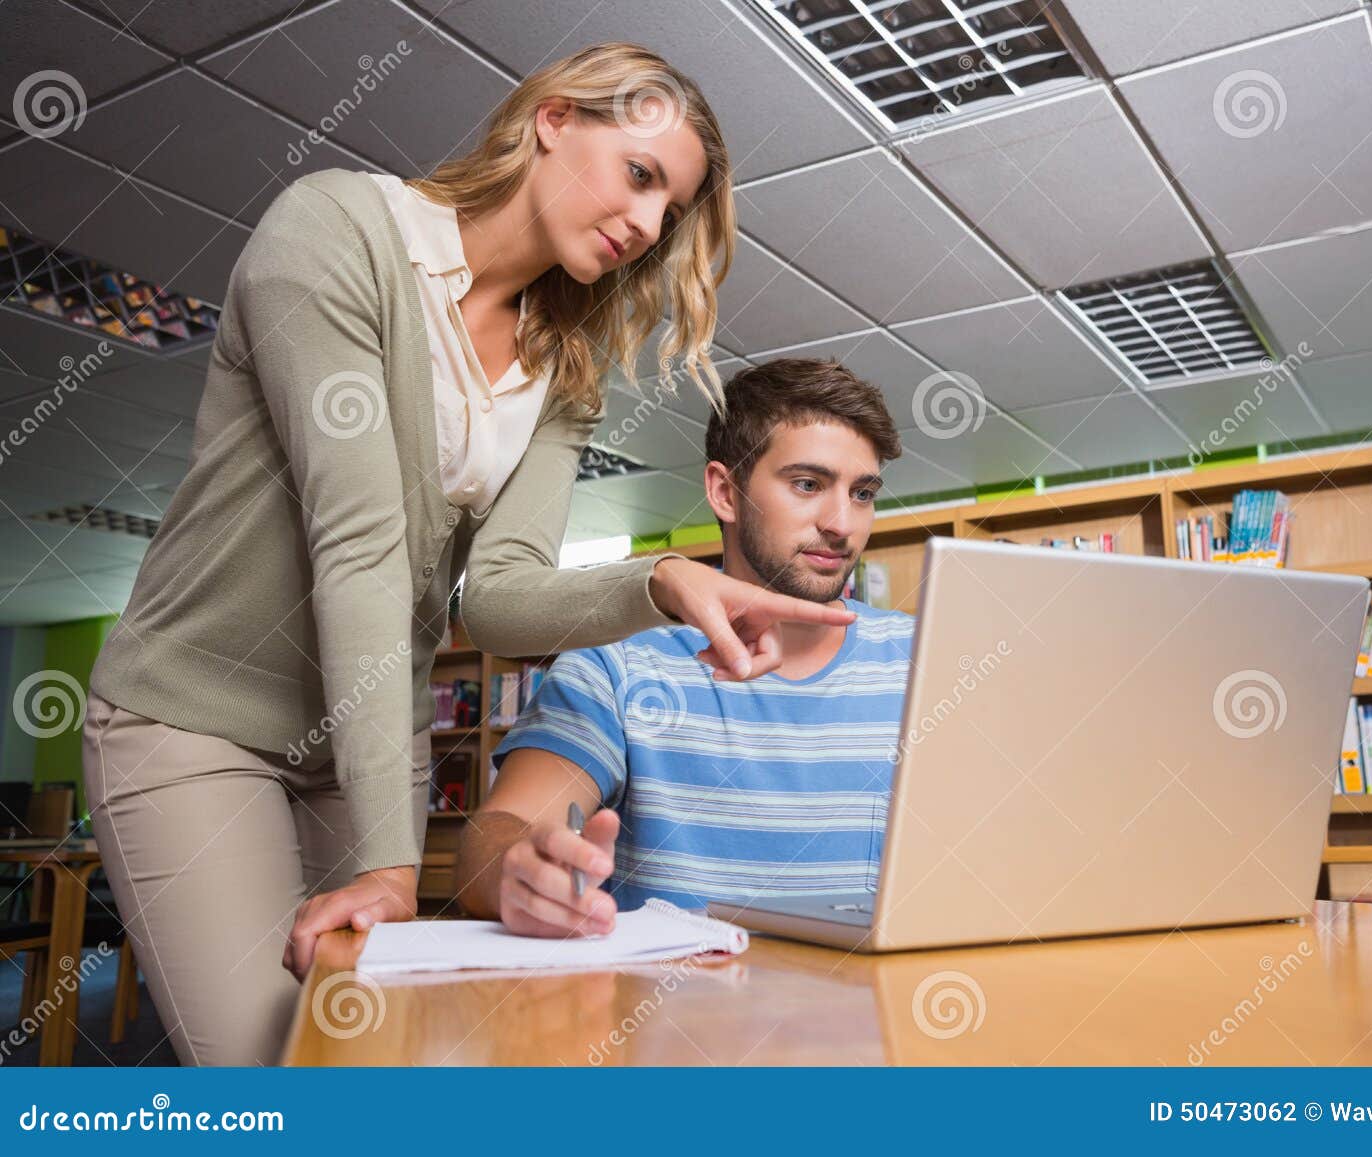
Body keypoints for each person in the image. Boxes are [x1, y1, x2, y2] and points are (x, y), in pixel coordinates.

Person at [80, 44, 851, 1066]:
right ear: (554, 119)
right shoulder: (339, 229)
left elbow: (495, 602)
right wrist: (396, 873)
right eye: (640, 174)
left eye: (670, 210)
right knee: (267, 1065)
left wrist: (660, 581)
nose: (648, 224)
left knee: (376, 1058)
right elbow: (357, 547)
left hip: (359, 740)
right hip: (193, 721)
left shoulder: (562, 366)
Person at [455, 358, 915, 934]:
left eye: (864, 492)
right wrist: (521, 875)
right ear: (725, 492)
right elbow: (498, 834)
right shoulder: (615, 661)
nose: (842, 523)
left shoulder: (924, 660)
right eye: (807, 484)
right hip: (676, 1017)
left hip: (882, 1016)